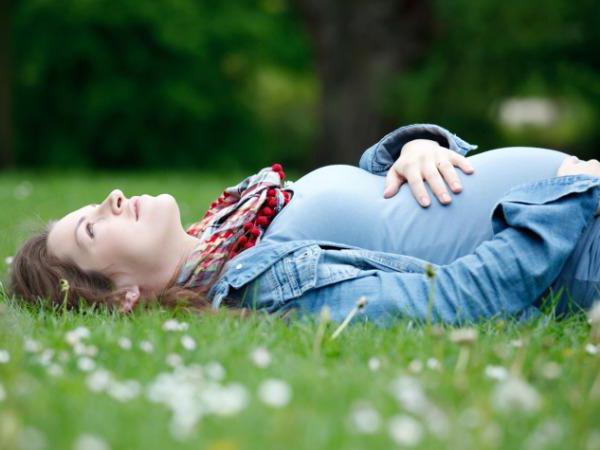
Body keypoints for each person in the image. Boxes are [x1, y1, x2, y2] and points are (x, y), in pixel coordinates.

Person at [7, 124, 600, 325]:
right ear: (123, 297)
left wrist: (417, 146)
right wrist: (566, 196)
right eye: (92, 228)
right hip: (581, 247)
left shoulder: (239, 222)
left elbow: (382, 202)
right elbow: (455, 300)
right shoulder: (261, 285)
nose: (112, 196)